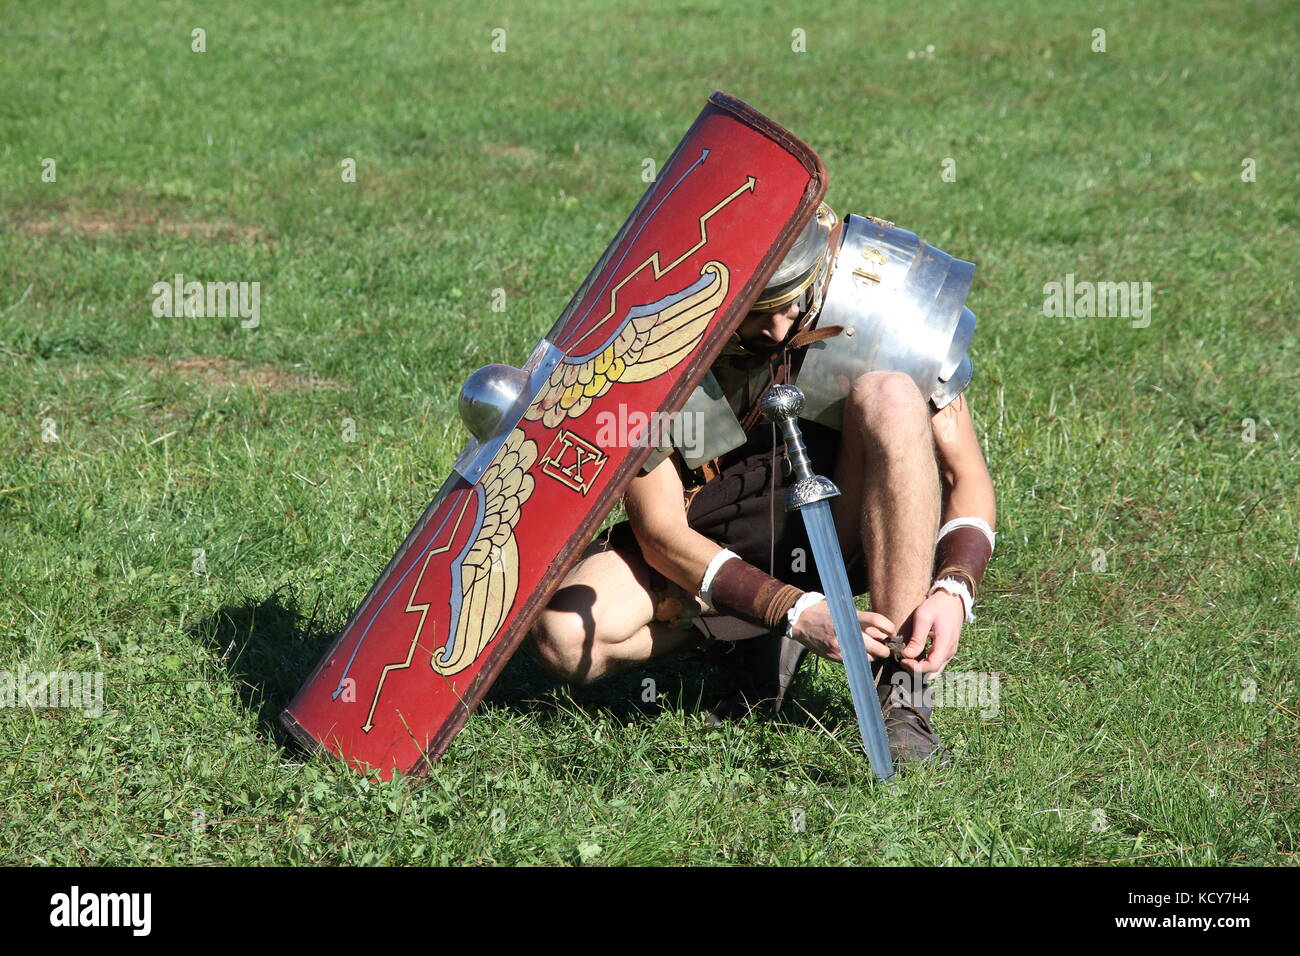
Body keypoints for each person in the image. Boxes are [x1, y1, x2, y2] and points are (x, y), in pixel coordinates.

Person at [529, 203, 996, 766]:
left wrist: (953, 588)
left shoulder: (877, 291)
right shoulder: (648, 343)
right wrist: (790, 612)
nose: (776, 329)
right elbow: (659, 531)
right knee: (565, 634)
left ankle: (900, 692)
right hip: (712, 535)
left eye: (790, 303)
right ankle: (745, 636)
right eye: (757, 309)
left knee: (893, 397)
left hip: (847, 524)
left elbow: (964, 474)